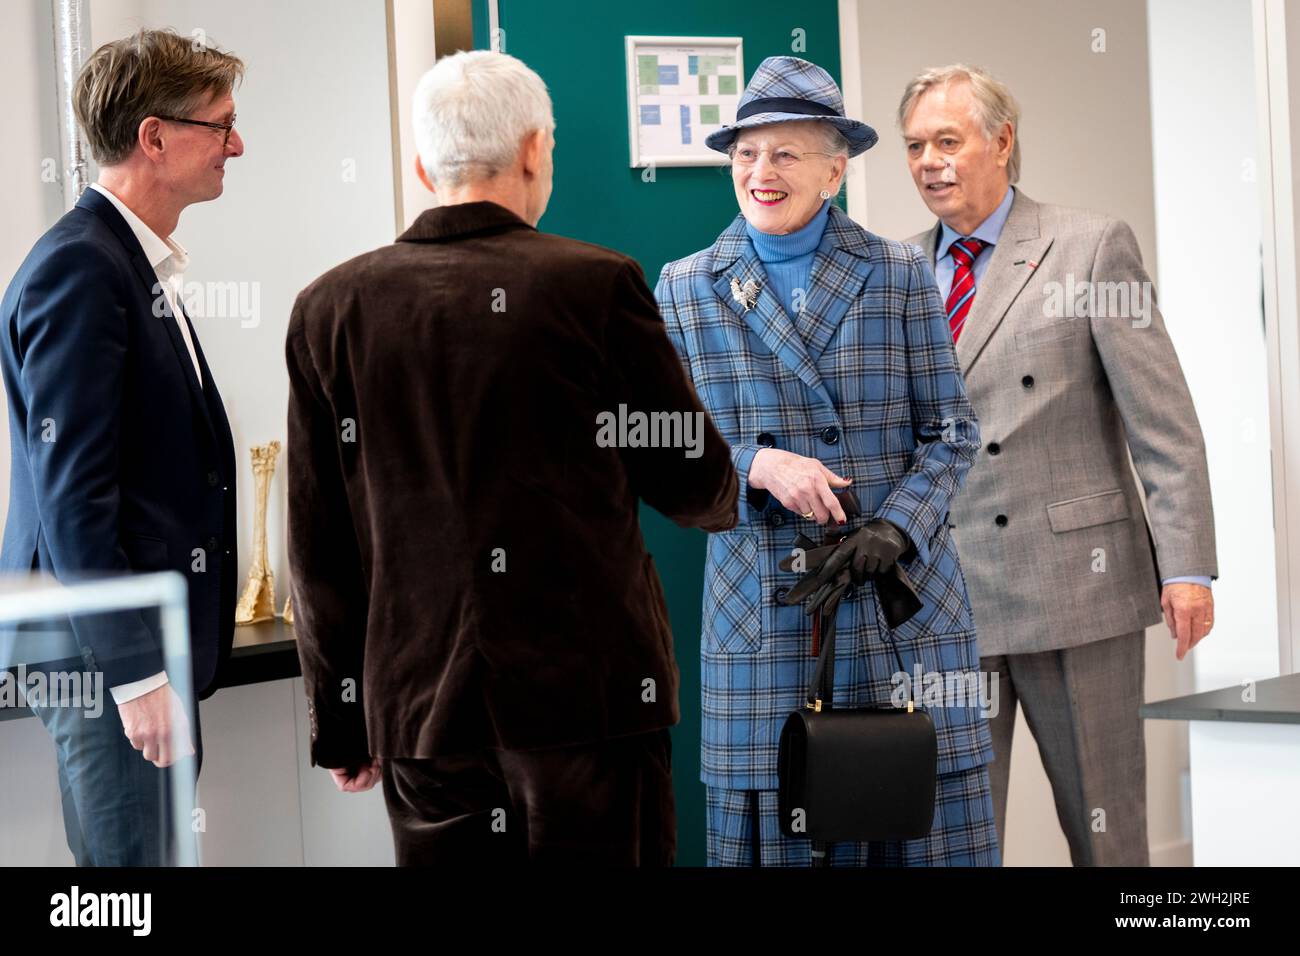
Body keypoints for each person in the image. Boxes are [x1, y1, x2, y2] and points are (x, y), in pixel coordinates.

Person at [285, 50, 738, 866]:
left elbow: (318, 545)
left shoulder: (329, 308)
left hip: (421, 711)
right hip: (590, 704)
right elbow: (695, 482)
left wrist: (342, 722)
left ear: (424, 166)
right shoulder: (596, 286)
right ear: (534, 150)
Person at [657, 55, 998, 866]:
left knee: (915, 827)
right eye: (744, 153)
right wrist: (756, 463)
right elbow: (664, 446)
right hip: (764, 609)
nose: (759, 172)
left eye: (784, 154)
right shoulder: (684, 287)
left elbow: (953, 430)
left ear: (834, 170)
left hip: (898, 603)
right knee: (780, 828)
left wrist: (899, 528)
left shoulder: (898, 273)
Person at [899, 63, 1218, 865]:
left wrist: (1187, 567)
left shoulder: (1090, 247)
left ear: (1001, 142)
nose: (929, 162)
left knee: (1106, 836)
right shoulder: (894, 269)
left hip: (1078, 586)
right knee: (956, 842)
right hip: (944, 600)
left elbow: (1164, 420)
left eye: (947, 140)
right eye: (914, 146)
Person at [0, 28, 244, 865]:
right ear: (155, 137)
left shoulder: (127, 262)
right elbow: (75, 498)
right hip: (106, 657)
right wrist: (137, 678)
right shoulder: (83, 269)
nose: (235, 146)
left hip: (129, 646)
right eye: (221, 126)